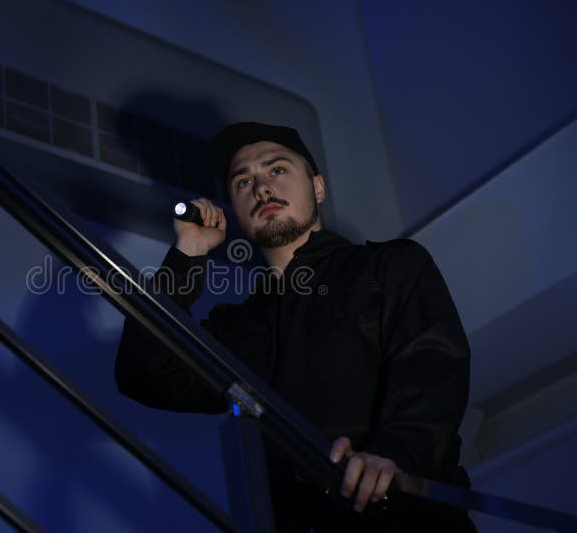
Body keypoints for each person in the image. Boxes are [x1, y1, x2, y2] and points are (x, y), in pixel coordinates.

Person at [115, 122, 475, 532]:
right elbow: (143, 373)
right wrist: (187, 257)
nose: (262, 188)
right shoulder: (237, 326)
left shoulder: (388, 267)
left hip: (406, 519)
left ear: (318, 188)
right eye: (243, 181)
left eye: (277, 169)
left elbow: (431, 364)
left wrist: (394, 454)